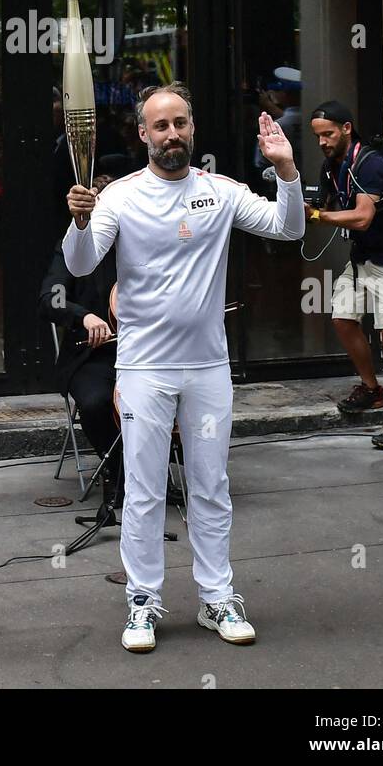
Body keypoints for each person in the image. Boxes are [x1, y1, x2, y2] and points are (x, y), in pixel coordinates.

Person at [63, 82, 304, 653]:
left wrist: (288, 171)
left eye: (180, 123)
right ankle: (143, 602)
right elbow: (81, 262)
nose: (172, 134)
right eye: (160, 125)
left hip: (207, 367)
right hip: (145, 366)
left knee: (210, 485)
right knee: (144, 489)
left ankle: (217, 596)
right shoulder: (119, 196)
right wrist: (76, 221)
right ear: (143, 134)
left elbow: (288, 228)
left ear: (191, 129)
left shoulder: (220, 191)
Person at [306, 101, 383, 449]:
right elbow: (324, 205)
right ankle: (372, 389)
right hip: (362, 257)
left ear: (346, 128)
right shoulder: (332, 165)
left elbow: (361, 217)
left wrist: (316, 218)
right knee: (342, 318)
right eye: (317, 137)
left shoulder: (368, 163)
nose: (323, 142)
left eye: (328, 134)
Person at [39, 170, 121, 510]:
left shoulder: (140, 244)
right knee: (97, 403)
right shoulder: (72, 247)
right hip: (91, 356)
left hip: (144, 351)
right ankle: (119, 473)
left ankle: (156, 470)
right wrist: (84, 316)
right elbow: (50, 298)